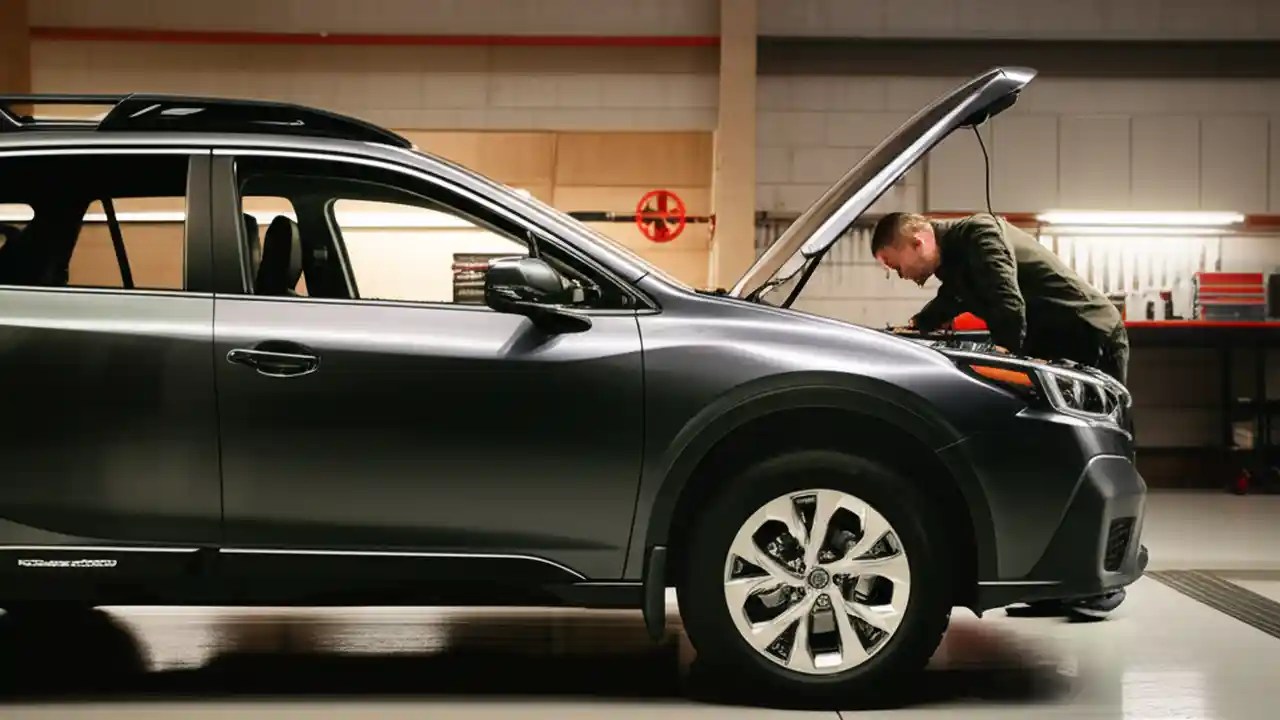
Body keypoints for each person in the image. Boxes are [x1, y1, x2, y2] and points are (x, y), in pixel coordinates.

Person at [871, 211, 1132, 619]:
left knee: (1099, 462)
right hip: (1058, 349)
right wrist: (915, 327)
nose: (899, 274)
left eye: (894, 264)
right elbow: (951, 300)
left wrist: (1007, 365)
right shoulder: (954, 263)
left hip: (1090, 336)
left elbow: (1008, 302)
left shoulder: (980, 234)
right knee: (1055, 465)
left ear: (918, 242)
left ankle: (1103, 584)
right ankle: (1059, 585)